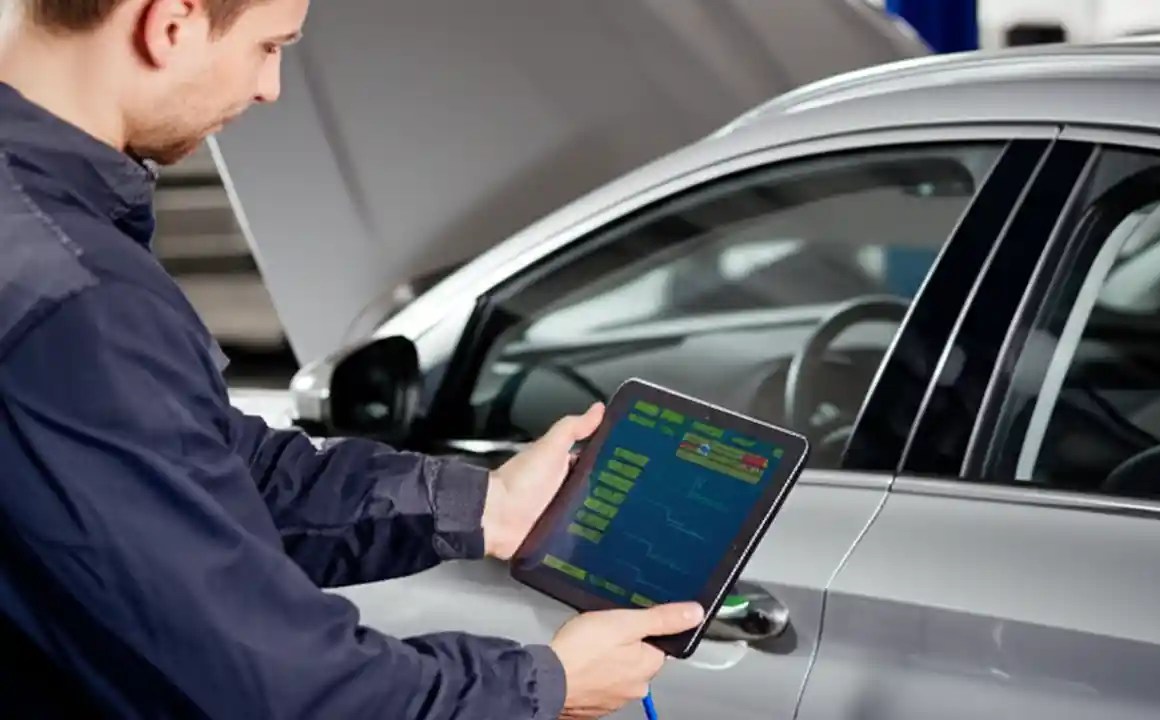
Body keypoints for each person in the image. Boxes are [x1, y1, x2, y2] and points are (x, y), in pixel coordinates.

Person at [0, 0, 703, 717]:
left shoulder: (43, 241)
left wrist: (487, 506)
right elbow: (263, 684)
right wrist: (546, 682)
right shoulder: (76, 297)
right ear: (169, 24)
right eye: (269, 47)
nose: (270, 86)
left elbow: (205, 469)